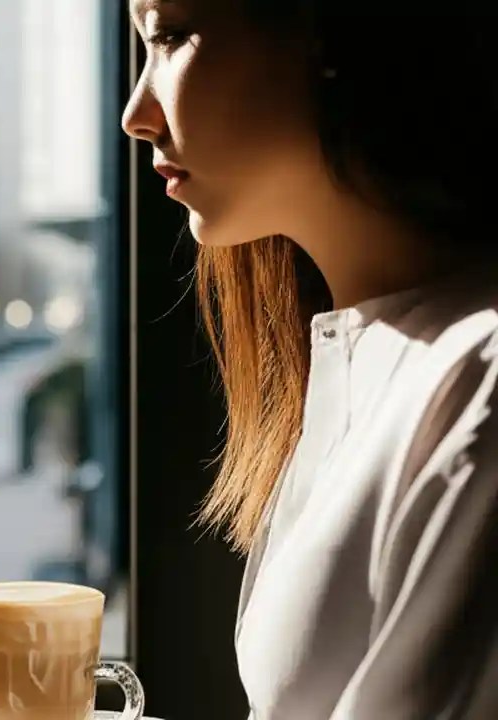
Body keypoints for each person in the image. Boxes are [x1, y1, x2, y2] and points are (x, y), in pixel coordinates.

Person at [122, 2, 498, 718]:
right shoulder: (362, 363)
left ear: (329, 29)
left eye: (169, 36)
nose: (137, 114)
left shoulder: (477, 383)